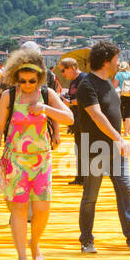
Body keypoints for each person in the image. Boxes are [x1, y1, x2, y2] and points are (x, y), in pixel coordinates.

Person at [0, 46, 74, 260]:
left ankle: (34, 243)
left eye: (32, 81)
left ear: (40, 78)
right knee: (18, 208)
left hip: (41, 160)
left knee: (42, 209)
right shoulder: (10, 95)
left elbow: (69, 118)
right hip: (15, 160)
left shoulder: (47, 94)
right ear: (16, 77)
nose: (27, 85)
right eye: (23, 80)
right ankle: (22, 256)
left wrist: (45, 108)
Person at [77, 41, 130, 254]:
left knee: (125, 189)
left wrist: (119, 139)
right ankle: (86, 239)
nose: (118, 62)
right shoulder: (88, 85)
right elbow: (96, 115)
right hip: (95, 148)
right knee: (91, 196)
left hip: (114, 148)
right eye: (115, 59)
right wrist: (119, 138)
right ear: (106, 61)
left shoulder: (108, 84)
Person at [59, 57, 85, 185]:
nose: (63, 74)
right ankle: (80, 177)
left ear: (72, 67)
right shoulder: (73, 82)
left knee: (85, 149)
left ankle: (85, 178)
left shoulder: (83, 79)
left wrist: (70, 103)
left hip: (84, 120)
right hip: (76, 120)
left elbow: (88, 99)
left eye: (64, 70)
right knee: (79, 149)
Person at [115, 60, 130, 128]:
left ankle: (120, 128)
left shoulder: (119, 74)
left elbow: (115, 86)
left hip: (122, 95)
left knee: (120, 112)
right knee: (128, 114)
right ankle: (126, 132)